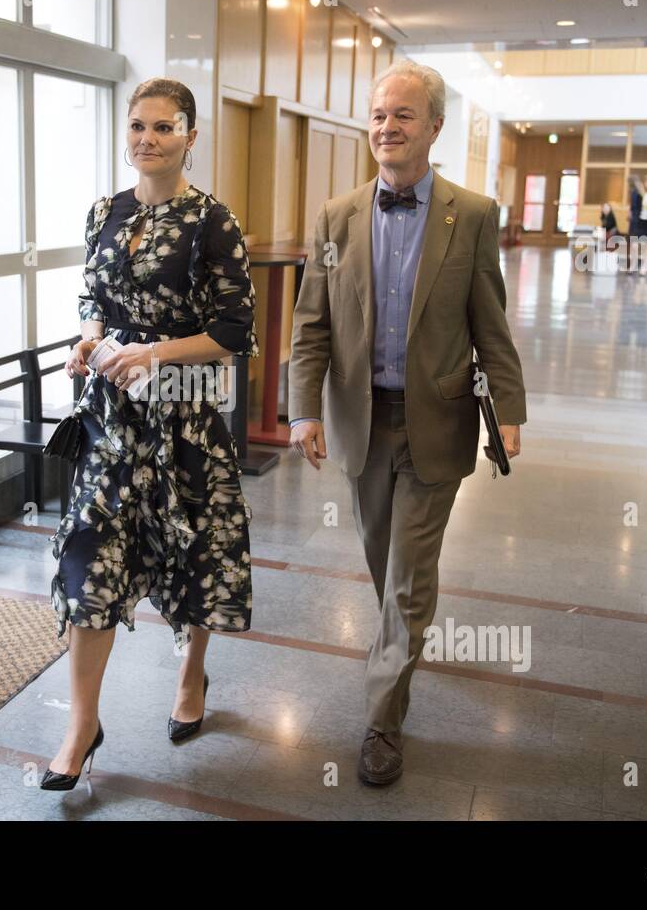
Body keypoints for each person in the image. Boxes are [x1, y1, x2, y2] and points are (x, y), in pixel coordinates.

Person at [287, 59, 526, 786]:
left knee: (409, 576)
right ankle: (404, 645)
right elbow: (311, 323)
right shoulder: (337, 216)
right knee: (383, 563)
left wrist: (509, 410)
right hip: (362, 422)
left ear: (434, 126)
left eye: (403, 115)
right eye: (378, 115)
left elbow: (490, 323)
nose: (387, 127)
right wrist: (303, 409)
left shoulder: (473, 214)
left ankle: (383, 720)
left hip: (438, 421)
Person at [41, 77, 259, 790]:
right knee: (88, 556)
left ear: (191, 137)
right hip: (111, 421)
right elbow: (93, 295)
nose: (148, 138)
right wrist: (88, 339)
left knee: (193, 551)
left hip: (186, 419)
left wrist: (153, 354)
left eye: (164, 127)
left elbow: (234, 331)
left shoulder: (212, 221)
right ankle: (82, 725)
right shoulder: (104, 211)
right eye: (138, 125)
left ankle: (192, 673)